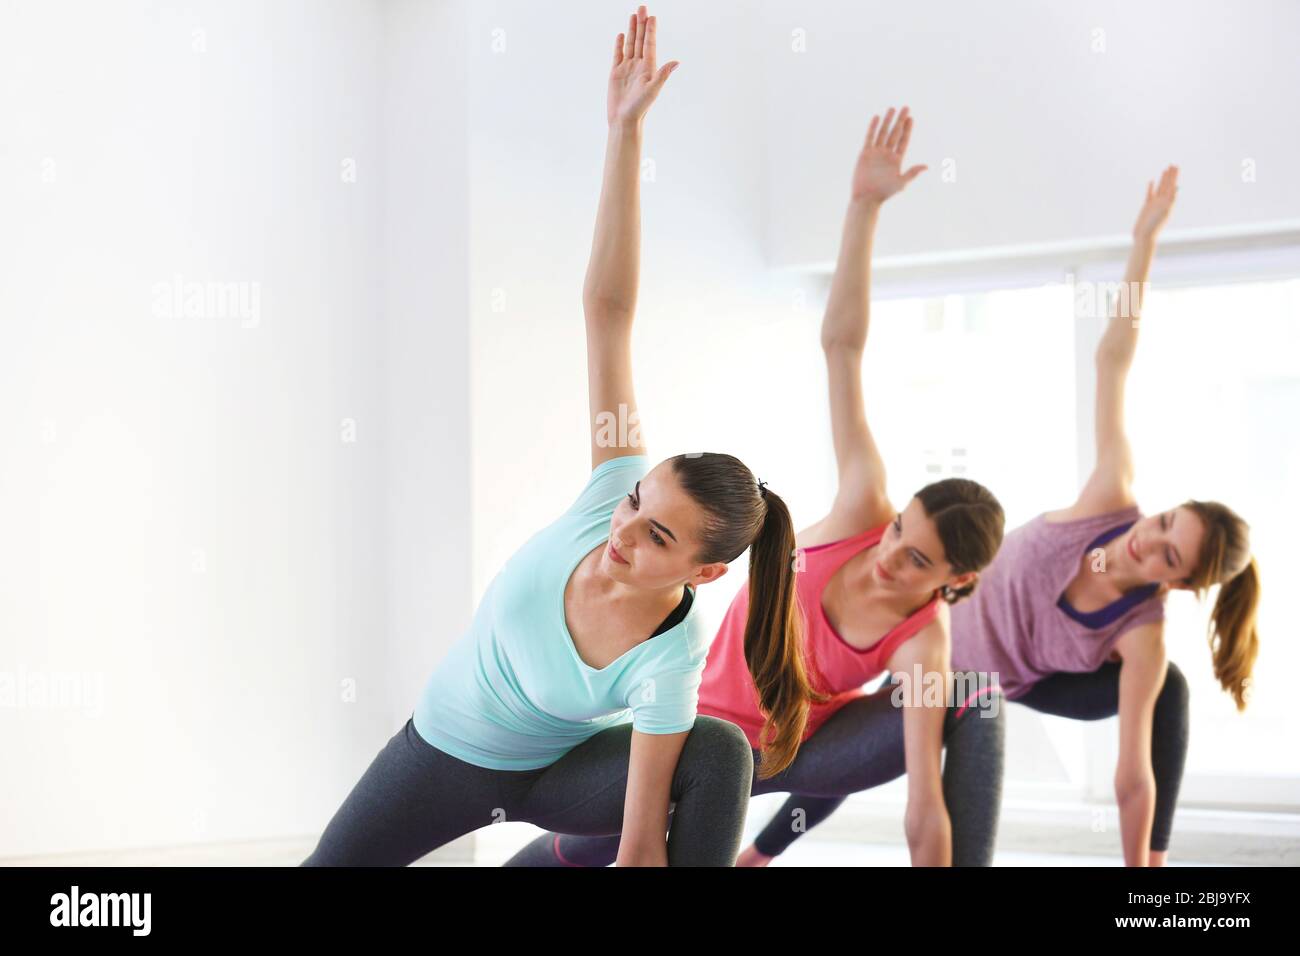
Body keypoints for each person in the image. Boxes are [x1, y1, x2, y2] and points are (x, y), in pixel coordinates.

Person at [301, 5, 798, 867]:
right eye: (639, 505)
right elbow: (607, 312)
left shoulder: (670, 659)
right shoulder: (612, 489)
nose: (624, 532)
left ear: (706, 573)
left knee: (720, 750)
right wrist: (624, 132)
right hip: (442, 756)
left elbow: (642, 843)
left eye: (659, 537)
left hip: (563, 776)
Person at [504, 106, 1008, 869]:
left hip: (792, 755)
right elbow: (841, 347)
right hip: (696, 734)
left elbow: (923, 809)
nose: (889, 556)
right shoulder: (863, 508)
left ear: (955, 581)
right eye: (902, 530)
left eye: (917, 561)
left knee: (976, 701)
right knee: (576, 853)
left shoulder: (922, 643)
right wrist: (864, 208)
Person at [719, 166, 1262, 867]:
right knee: (842, 768)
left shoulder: (1141, 629)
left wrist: (1146, 883)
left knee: (1165, 693)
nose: (1143, 546)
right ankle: (757, 857)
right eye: (1161, 524)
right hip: (935, 658)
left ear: (1181, 585)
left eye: (1167, 558)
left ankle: (1150, 869)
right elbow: (1112, 361)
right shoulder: (1108, 500)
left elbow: (1132, 773)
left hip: (1023, 680)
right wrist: (1144, 242)